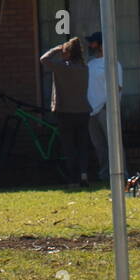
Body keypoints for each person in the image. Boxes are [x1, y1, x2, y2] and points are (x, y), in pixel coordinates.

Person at [39, 37, 90, 187]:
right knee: (82, 145)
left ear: (67, 53)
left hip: (65, 112)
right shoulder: (84, 68)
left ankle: (73, 179)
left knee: (69, 147)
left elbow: (44, 59)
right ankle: (84, 175)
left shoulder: (62, 67)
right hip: (83, 111)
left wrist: (55, 49)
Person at [85, 31, 124, 183]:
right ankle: (104, 174)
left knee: (113, 144)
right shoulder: (91, 63)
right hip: (91, 111)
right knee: (98, 145)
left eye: (93, 42)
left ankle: (122, 173)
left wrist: (108, 106)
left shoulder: (113, 63)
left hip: (106, 110)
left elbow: (118, 87)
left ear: (101, 44)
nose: (90, 45)